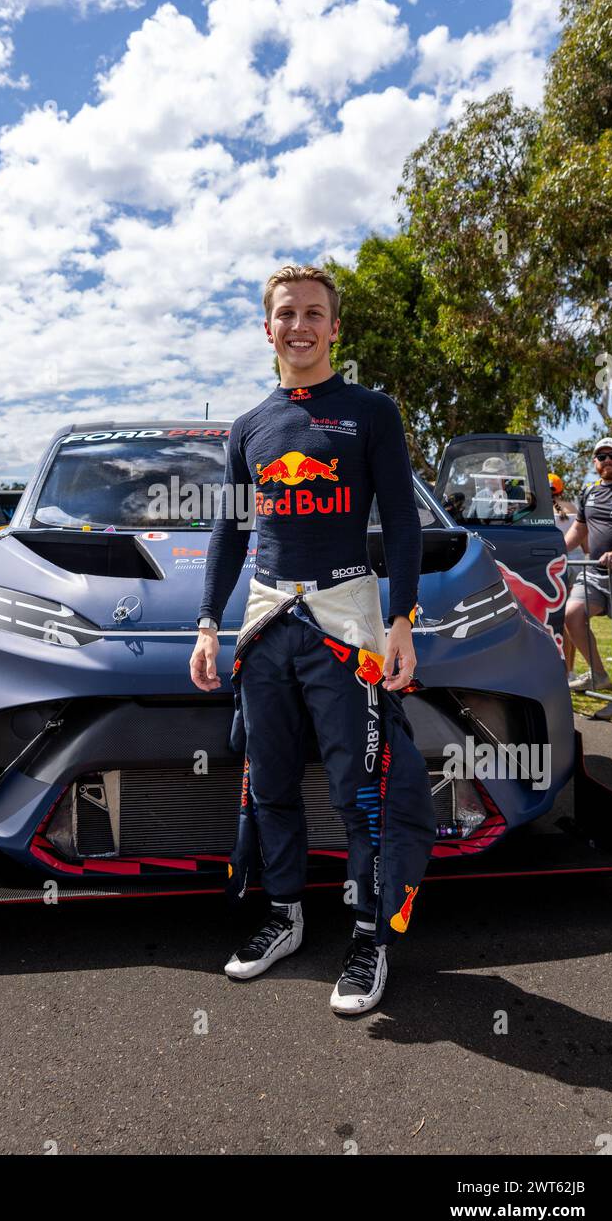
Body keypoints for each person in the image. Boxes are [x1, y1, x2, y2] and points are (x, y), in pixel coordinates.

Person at [188, 263, 436, 1016]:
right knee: (269, 783)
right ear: (268, 328)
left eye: (313, 314)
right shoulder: (246, 428)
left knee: (361, 790)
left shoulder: (372, 412)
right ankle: (285, 916)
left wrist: (402, 622)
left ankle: (368, 935)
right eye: (285, 314)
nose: (299, 326)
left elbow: (400, 521)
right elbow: (228, 532)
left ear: (334, 328)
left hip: (347, 621)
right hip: (265, 623)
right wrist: (207, 624)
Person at [564, 438, 612, 713]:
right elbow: (579, 531)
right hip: (593, 572)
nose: (606, 460)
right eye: (600, 456)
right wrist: (555, 549)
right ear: (595, 462)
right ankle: (599, 675)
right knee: (572, 614)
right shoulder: (588, 491)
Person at [549, 472, 582, 678]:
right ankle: (569, 671)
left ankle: (558, 668)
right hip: (578, 564)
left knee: (556, 621)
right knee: (570, 622)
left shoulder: (541, 511)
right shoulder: (573, 508)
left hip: (556, 566)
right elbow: (585, 543)